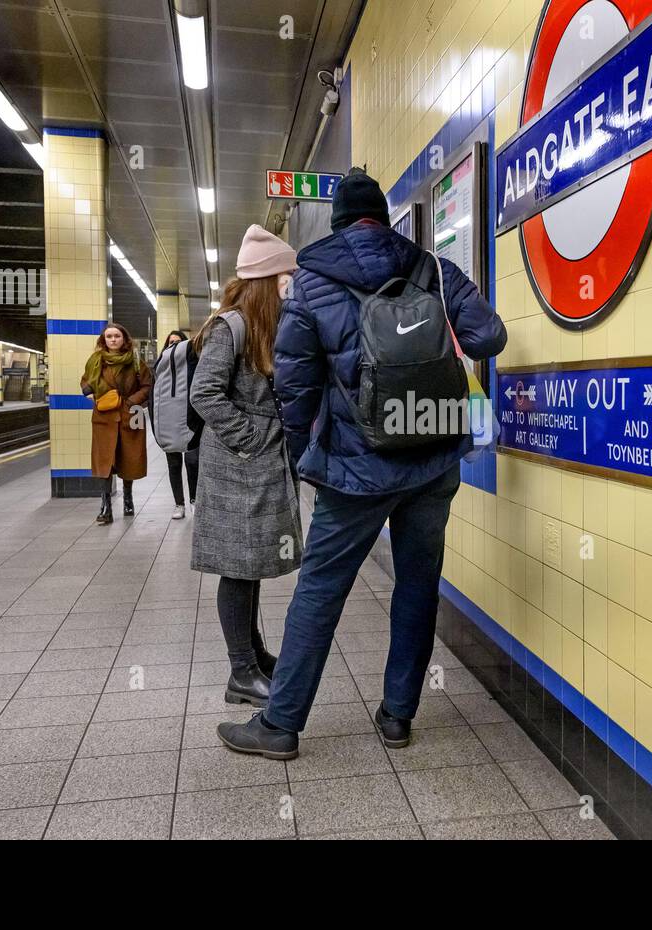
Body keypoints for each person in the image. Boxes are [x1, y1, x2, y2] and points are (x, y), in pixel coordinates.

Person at [217, 169, 507, 760]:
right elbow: (489, 338)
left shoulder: (312, 285)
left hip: (354, 470)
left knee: (320, 590)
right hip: (432, 456)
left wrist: (307, 459)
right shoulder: (433, 268)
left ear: (341, 222)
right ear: (385, 219)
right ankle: (398, 715)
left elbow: (294, 389)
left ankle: (282, 725)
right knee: (419, 583)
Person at [189, 224, 304, 708]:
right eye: (286, 276)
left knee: (250, 563)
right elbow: (204, 393)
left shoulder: (263, 326)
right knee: (236, 569)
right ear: (266, 280)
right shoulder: (231, 326)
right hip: (237, 467)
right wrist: (251, 437)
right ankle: (241, 672)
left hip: (253, 468)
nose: (291, 284)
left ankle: (255, 655)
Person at [80, 322, 152, 525]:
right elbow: (85, 380)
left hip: (130, 415)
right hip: (104, 418)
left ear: (124, 339)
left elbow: (147, 386)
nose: (113, 339)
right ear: (104, 340)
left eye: (117, 336)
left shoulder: (136, 361)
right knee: (105, 462)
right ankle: (105, 507)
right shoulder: (95, 360)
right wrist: (90, 392)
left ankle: (128, 497)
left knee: (128, 458)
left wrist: (130, 402)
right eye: (109, 336)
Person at [156, 329, 200, 520]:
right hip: (168, 423)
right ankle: (179, 504)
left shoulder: (194, 366)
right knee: (174, 464)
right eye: (170, 342)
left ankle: (194, 501)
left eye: (178, 342)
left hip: (189, 422)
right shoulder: (160, 368)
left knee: (193, 462)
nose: (173, 345)